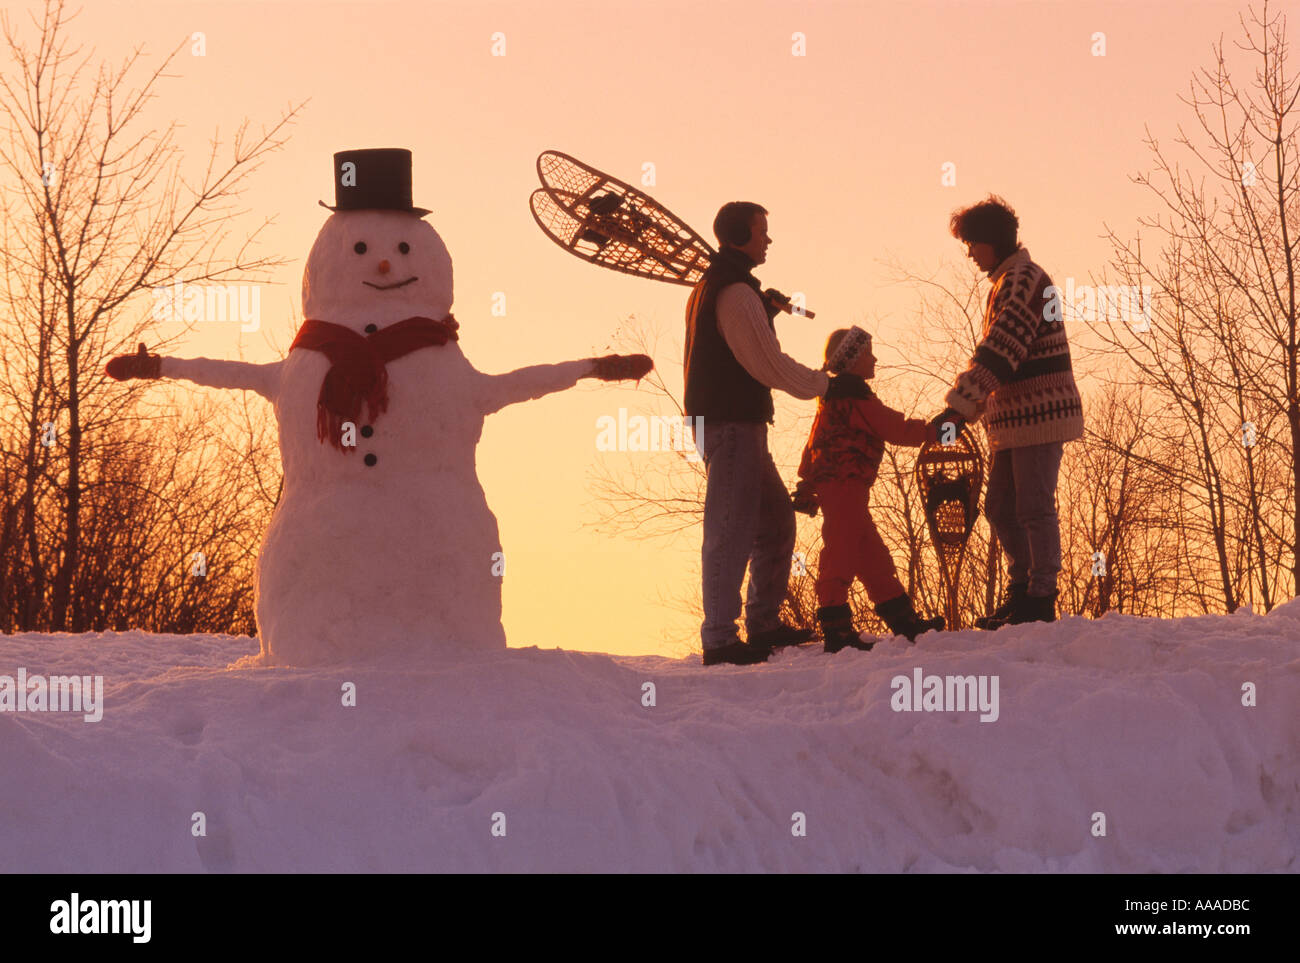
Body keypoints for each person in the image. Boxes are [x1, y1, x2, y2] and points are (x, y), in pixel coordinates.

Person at [685, 202, 828, 666]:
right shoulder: (733, 293)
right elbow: (766, 364)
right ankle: (721, 640)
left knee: (773, 523)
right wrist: (825, 384)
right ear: (741, 234)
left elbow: (744, 350)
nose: (768, 239)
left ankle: (764, 624)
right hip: (732, 426)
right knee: (730, 530)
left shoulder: (722, 288)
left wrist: (765, 311)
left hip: (734, 424)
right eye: (762, 231)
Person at [931, 195, 1083, 627]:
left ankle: (1040, 596)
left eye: (973, 243)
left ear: (994, 241)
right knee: (1000, 505)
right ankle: (1021, 590)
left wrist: (957, 411)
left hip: (1041, 413)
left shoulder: (1023, 279)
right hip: (1014, 420)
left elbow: (1001, 351)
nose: (970, 253)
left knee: (1033, 505)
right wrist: (965, 410)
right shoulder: (1007, 280)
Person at [793, 327, 945, 651]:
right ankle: (835, 626)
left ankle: (905, 622)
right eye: (868, 353)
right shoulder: (851, 394)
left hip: (845, 485)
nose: (874, 358)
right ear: (851, 361)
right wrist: (939, 432)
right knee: (841, 550)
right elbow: (896, 428)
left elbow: (814, 441)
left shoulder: (835, 395)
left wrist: (807, 482)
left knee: (871, 555)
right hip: (843, 484)